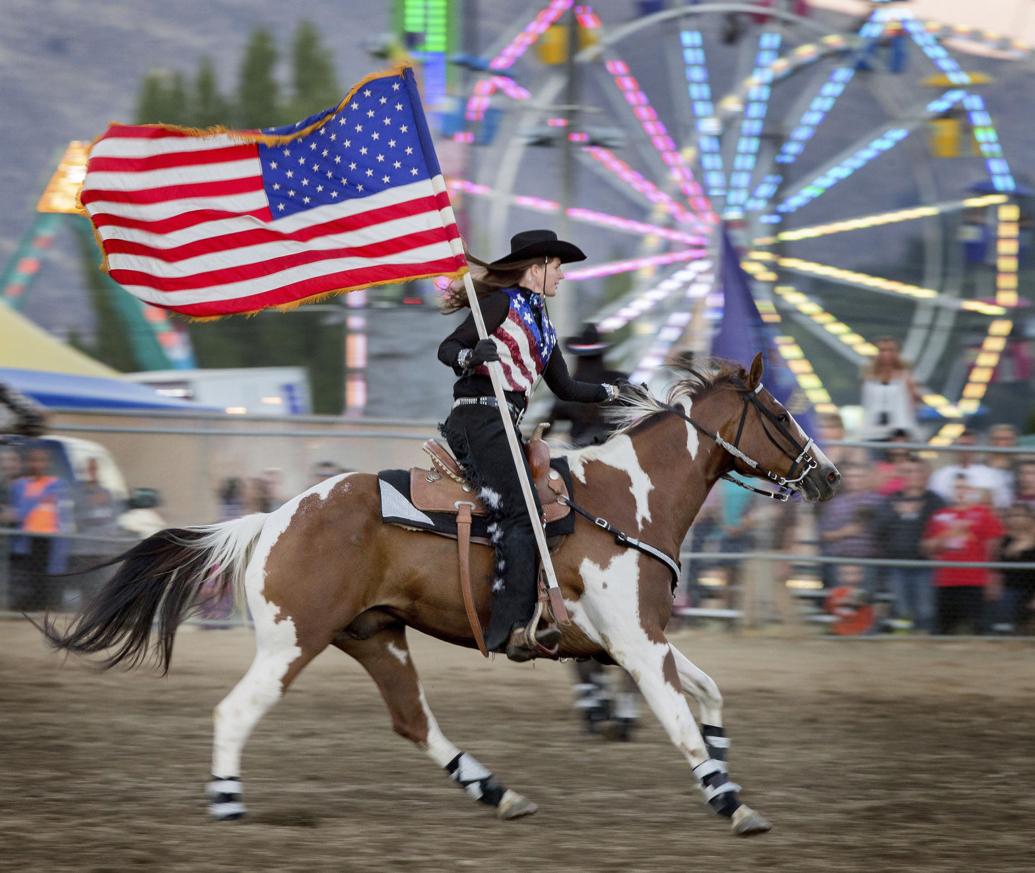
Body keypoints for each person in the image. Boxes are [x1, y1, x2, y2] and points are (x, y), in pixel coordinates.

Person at [438, 229, 619, 661]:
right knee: (521, 512)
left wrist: (616, 394)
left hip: (504, 423)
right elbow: (448, 347)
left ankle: (540, 607)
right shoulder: (499, 304)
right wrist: (470, 356)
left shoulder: (543, 325)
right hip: (478, 418)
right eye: (557, 267)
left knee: (550, 501)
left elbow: (568, 387)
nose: (561, 276)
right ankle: (510, 629)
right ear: (535, 269)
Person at [922, 473, 1004, 635]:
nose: (961, 492)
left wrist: (992, 576)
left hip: (975, 581)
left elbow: (993, 547)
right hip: (946, 581)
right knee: (944, 630)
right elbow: (927, 547)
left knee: (979, 629)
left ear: (972, 490)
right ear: (950, 491)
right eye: (957, 487)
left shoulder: (983, 514)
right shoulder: (939, 516)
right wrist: (949, 534)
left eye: (965, 487)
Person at [873, 458, 944, 632]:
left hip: (925, 565)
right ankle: (903, 644)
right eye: (909, 471)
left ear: (926, 475)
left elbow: (942, 529)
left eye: (918, 471)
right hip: (896, 565)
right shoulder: (891, 501)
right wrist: (896, 514)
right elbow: (877, 529)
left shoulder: (935, 501)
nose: (913, 476)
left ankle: (925, 642)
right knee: (901, 610)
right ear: (902, 476)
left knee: (926, 610)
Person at [9, 446, 70, 611]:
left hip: (48, 538)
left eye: (41, 460)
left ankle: (43, 606)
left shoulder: (56, 484)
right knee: (26, 576)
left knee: (45, 575)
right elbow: (17, 512)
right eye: (33, 460)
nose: (37, 464)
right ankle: (28, 606)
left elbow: (63, 511)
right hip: (26, 537)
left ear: (47, 463)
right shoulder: (20, 485)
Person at [550, 323, 627, 447]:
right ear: (601, 356)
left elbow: (551, 420)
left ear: (579, 358)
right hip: (616, 447)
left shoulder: (569, 388)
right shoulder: (619, 381)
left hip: (582, 451)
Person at [928, 429, 1012, 509]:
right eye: (961, 445)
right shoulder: (940, 475)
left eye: (969, 445)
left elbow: (1003, 502)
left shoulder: (991, 474)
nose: (965, 450)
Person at [859, 337, 921, 441]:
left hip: (900, 430)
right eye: (882, 350)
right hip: (872, 430)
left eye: (891, 350)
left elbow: (915, 401)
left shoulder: (906, 377)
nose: (886, 355)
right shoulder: (868, 377)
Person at [996, 503, 1035, 634]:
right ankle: (1004, 634)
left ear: (1030, 517)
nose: (1015, 519)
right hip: (1011, 591)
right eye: (1012, 515)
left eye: (1019, 515)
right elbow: (1001, 566)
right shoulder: (1006, 540)